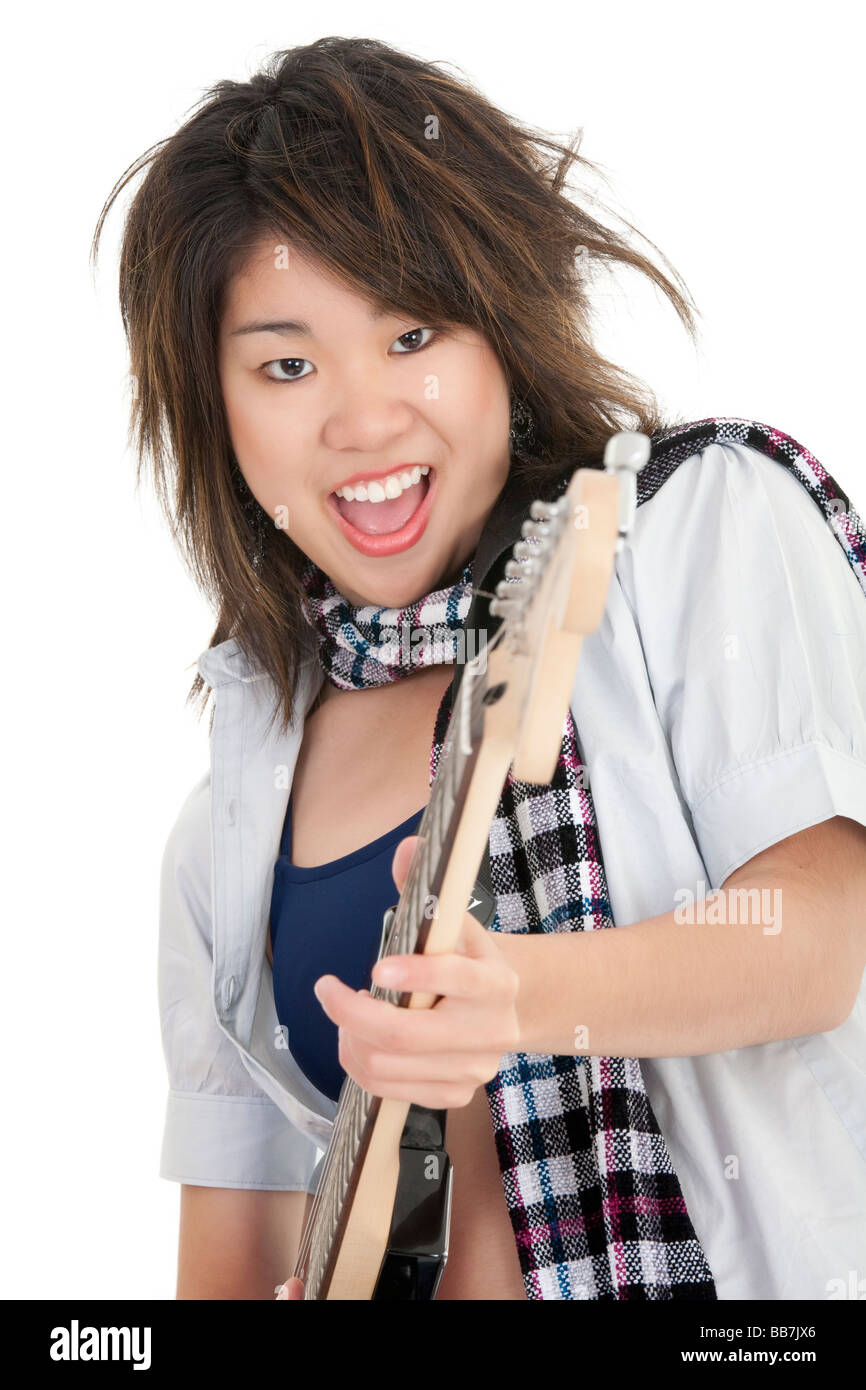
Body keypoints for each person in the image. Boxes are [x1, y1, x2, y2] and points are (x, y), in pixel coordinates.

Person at [92, 36, 866, 1301]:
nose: (363, 419)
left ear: (503, 324)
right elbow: (222, 1272)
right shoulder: (225, 828)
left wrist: (518, 995)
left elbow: (816, 938)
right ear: (213, 407)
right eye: (286, 365)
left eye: (413, 333)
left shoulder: (686, 530)